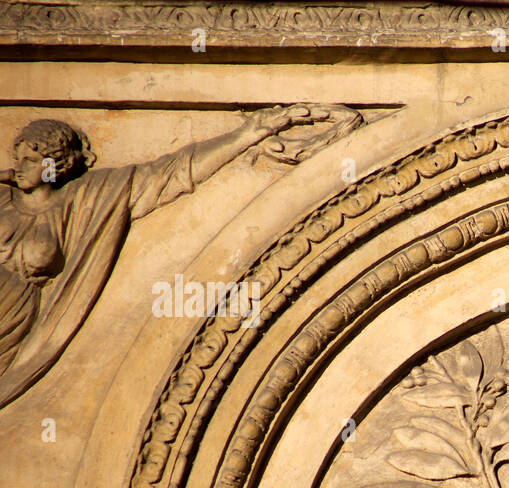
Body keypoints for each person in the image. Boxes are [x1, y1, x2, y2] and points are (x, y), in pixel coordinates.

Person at [0, 105, 334, 407]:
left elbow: (172, 173)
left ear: (58, 163)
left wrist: (246, 135)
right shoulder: (3, 202)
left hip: (16, 324)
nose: (20, 168)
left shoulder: (90, 198)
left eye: (31, 159)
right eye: (18, 160)